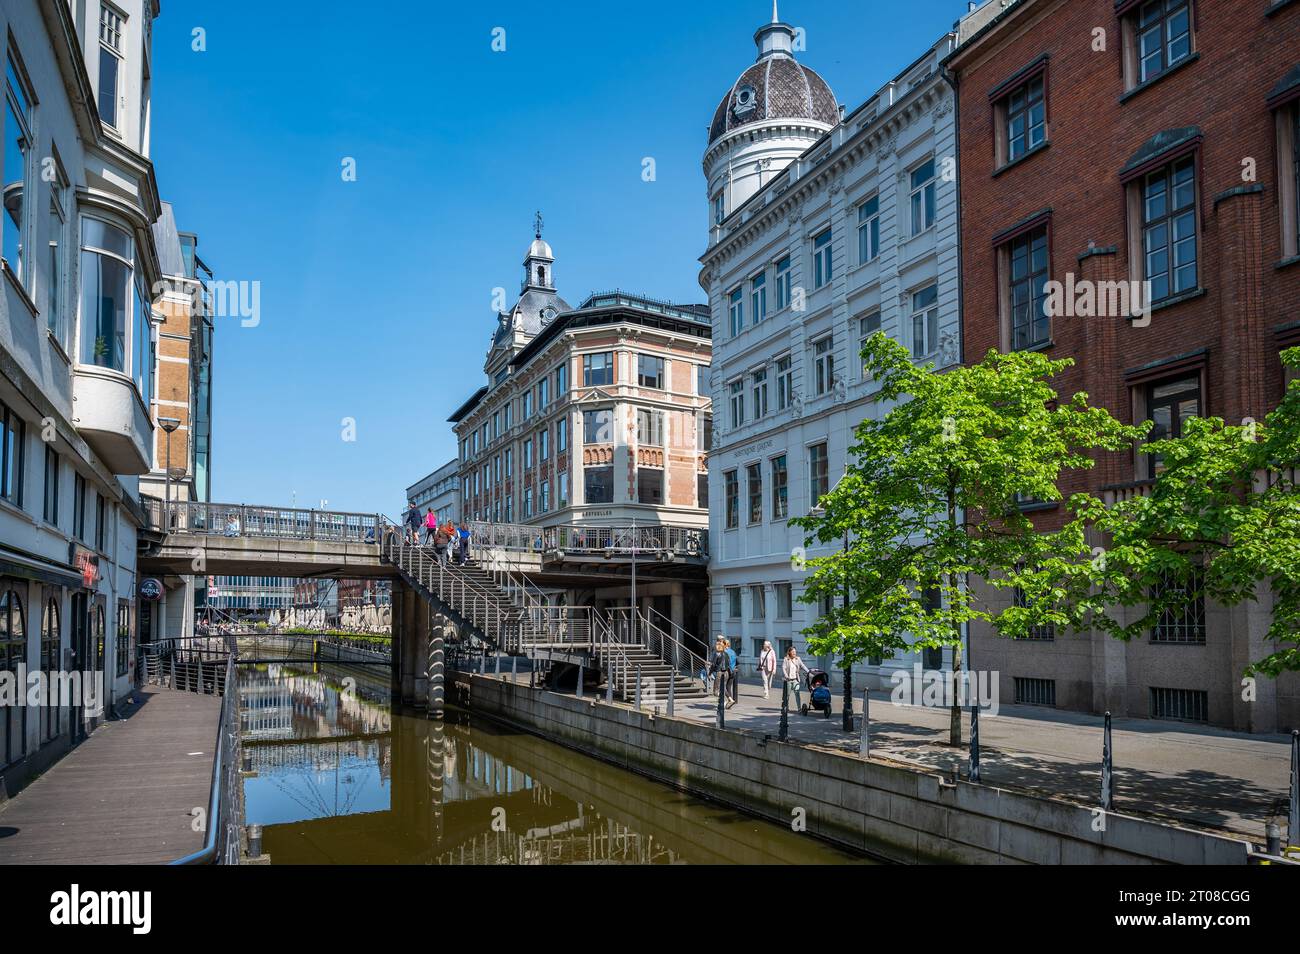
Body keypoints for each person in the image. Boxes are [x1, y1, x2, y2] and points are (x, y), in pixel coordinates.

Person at [708, 637, 733, 708]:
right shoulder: (726, 654)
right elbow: (728, 663)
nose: (715, 647)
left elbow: (713, 665)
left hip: (719, 673)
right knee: (723, 688)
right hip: (726, 673)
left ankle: (723, 702)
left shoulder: (717, 654)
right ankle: (730, 699)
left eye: (716, 646)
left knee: (715, 692)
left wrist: (710, 673)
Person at [782, 645, 809, 711]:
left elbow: (803, 666)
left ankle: (799, 708)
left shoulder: (798, 659)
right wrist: (786, 676)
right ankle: (786, 707)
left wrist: (809, 671)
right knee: (787, 695)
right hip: (788, 680)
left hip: (796, 680)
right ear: (790, 652)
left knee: (797, 694)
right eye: (793, 652)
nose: (794, 653)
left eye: (795, 652)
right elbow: (783, 668)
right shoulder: (786, 659)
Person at [723, 637, 738, 705]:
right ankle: (730, 702)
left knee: (722, 687)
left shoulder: (724, 652)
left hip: (726, 671)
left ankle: (729, 699)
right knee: (729, 687)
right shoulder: (733, 652)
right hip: (733, 671)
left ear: (725, 644)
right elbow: (737, 661)